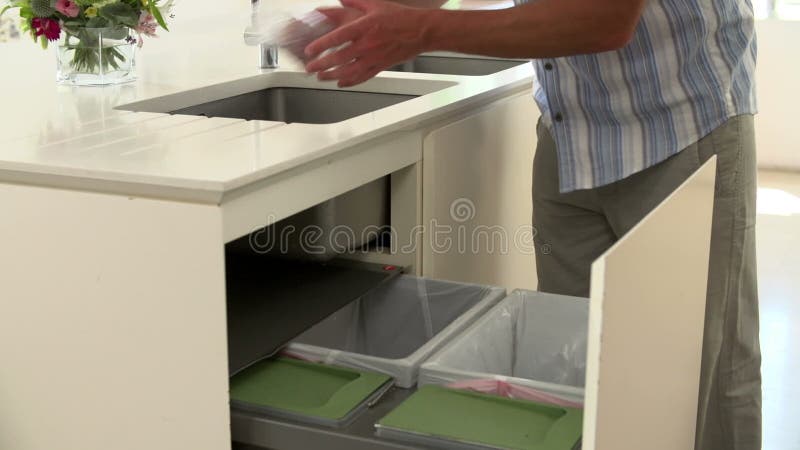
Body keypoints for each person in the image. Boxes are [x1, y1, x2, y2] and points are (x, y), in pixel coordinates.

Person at [303, 0, 762, 448]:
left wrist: (420, 29)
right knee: (571, 360)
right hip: (571, 135)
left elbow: (604, 18)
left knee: (702, 366)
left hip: (680, 124)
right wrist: (369, 16)